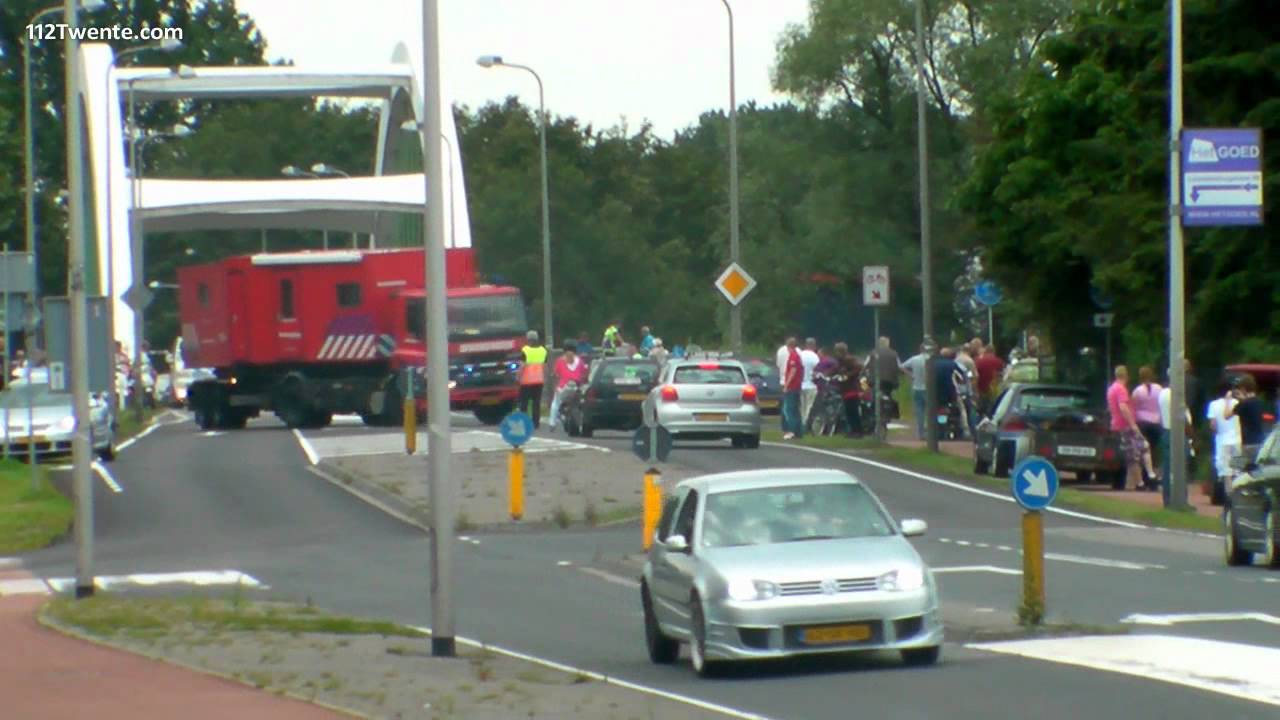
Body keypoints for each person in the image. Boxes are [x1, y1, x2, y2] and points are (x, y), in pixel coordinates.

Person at [1107, 366, 1153, 491]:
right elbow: (1123, 407)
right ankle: (1142, 481)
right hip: (1125, 425)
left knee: (1133, 453)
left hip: (1117, 423)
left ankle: (1140, 480)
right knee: (1137, 452)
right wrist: (1132, 424)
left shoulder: (1111, 388)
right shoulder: (1121, 389)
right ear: (1125, 376)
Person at [1158, 372, 1194, 507]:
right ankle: (1181, 500)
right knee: (1181, 467)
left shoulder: (1162, 394)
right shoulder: (1177, 395)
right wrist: (1190, 434)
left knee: (1167, 468)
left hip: (1166, 430)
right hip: (1178, 433)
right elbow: (1183, 417)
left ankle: (1167, 498)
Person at [1205, 377, 1241, 506]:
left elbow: (1213, 425)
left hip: (1222, 440)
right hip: (1237, 440)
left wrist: (1217, 431)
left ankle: (1228, 496)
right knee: (1237, 468)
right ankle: (1238, 495)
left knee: (1225, 470)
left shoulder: (1213, 405)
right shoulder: (1237, 402)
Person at [1131, 366, 1164, 491]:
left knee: (1143, 451)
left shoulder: (1138, 391)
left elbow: (1133, 406)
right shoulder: (1159, 389)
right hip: (1156, 422)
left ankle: (1144, 478)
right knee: (1153, 451)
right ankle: (1152, 476)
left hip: (1142, 423)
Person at [1222, 374, 1266, 459]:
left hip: (1248, 443)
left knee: (1248, 469)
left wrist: (1227, 400)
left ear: (1243, 388)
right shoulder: (1259, 402)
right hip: (1260, 441)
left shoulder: (1243, 404)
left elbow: (1226, 415)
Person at [548, 344, 587, 432]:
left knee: (555, 403)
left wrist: (554, 382)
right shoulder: (580, 361)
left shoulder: (560, 360)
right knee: (580, 403)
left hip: (563, 387)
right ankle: (581, 423)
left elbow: (556, 374)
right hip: (577, 386)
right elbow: (584, 373)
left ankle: (552, 423)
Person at [519, 330, 548, 428]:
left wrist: (518, 376)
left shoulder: (525, 350)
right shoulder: (543, 351)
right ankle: (536, 423)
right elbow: (545, 366)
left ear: (528, 339)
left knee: (524, 404)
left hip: (526, 381)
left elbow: (522, 366)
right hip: (539, 381)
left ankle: (523, 422)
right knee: (536, 403)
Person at [901, 344, 929, 439]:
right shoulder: (931, 359)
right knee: (930, 412)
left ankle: (921, 433)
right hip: (929, 389)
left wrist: (910, 374)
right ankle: (930, 432)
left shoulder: (914, 359)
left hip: (916, 387)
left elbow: (901, 366)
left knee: (919, 411)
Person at [781, 338, 803, 440]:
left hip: (792, 387)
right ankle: (799, 431)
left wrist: (786, 385)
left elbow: (793, 371)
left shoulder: (793, 356)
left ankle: (791, 430)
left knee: (789, 409)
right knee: (795, 410)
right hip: (797, 386)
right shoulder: (797, 356)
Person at [975, 344, 1005, 416]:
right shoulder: (999, 361)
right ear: (994, 351)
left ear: (985, 351)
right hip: (994, 390)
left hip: (982, 390)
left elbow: (976, 376)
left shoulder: (979, 361)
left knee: (981, 411)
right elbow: (1002, 376)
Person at [799, 338, 820, 430]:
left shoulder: (800, 355)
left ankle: (800, 424)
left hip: (800, 384)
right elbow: (818, 370)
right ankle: (806, 425)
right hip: (811, 385)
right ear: (813, 345)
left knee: (801, 406)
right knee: (809, 406)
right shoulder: (815, 357)